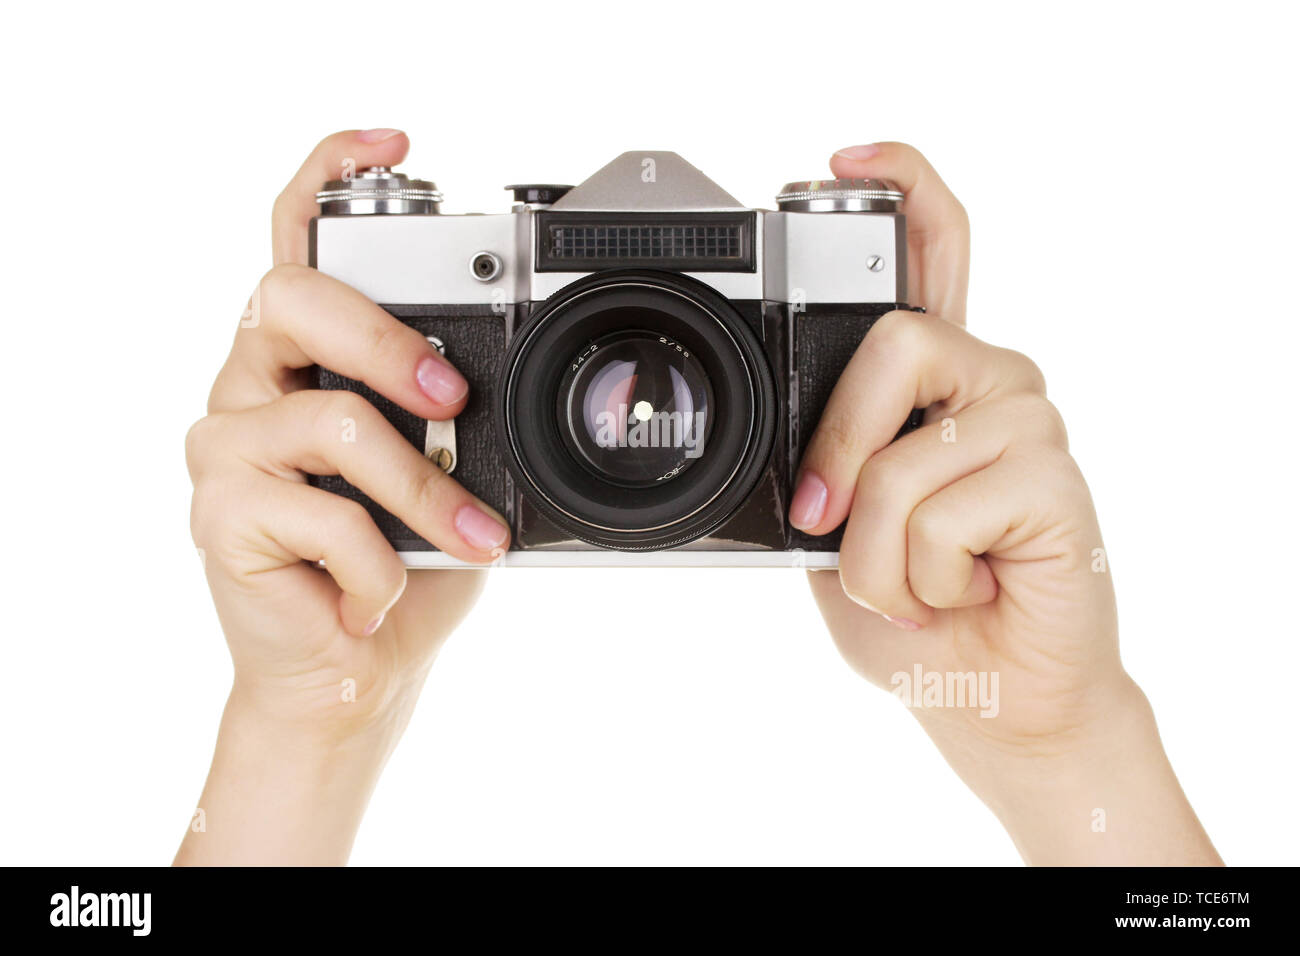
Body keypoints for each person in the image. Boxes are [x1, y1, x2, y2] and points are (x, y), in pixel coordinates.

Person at [176, 130, 1221, 866]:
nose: (632, 412)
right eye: (593, 371)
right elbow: (314, 697)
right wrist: (303, 723)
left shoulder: (1034, 704)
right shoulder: (313, 698)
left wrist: (1059, 736)